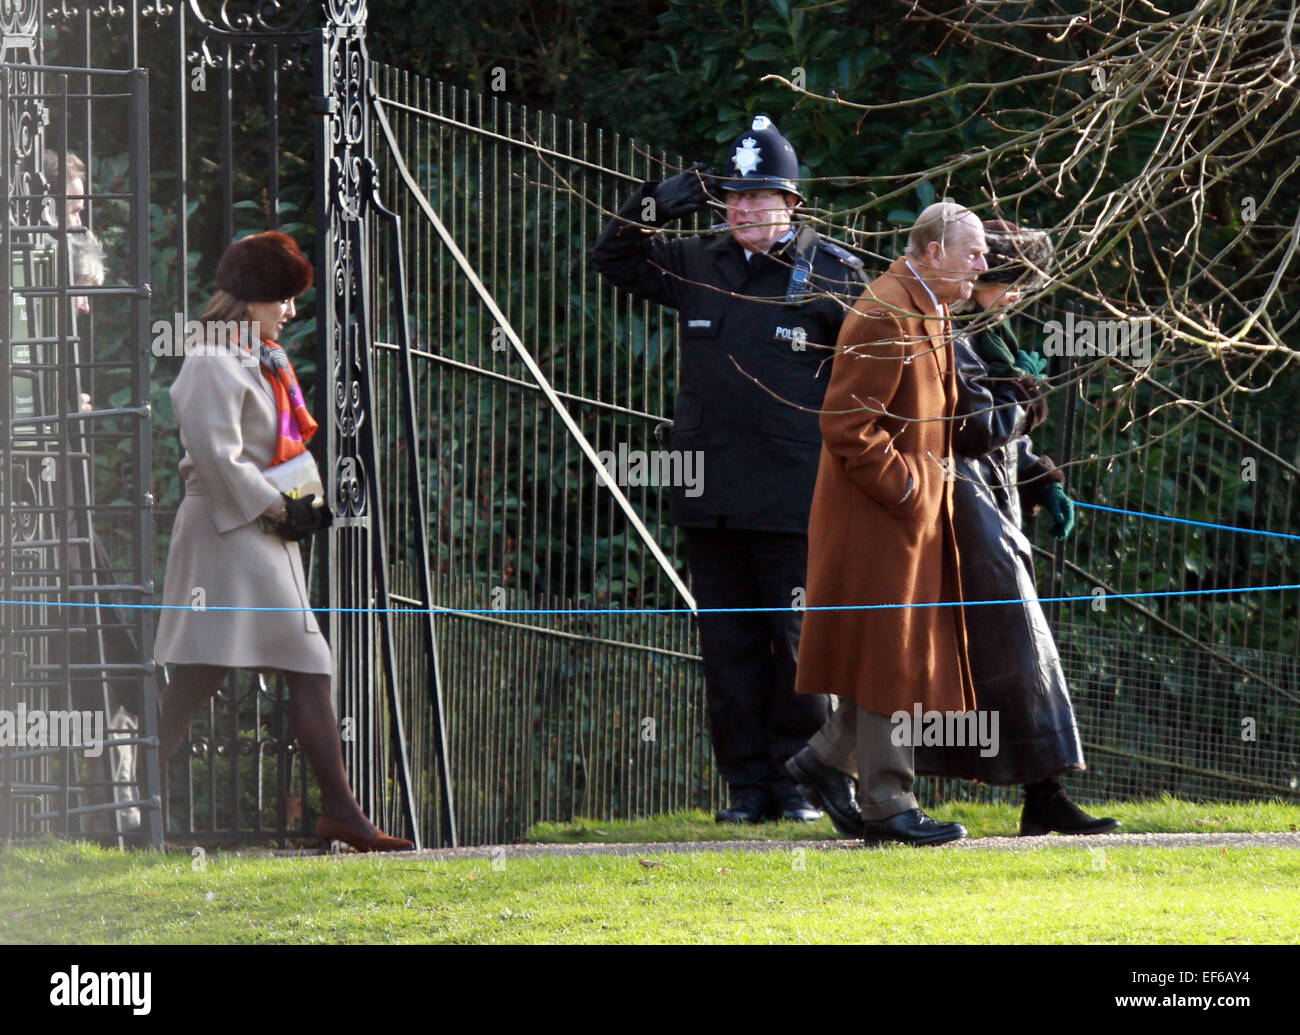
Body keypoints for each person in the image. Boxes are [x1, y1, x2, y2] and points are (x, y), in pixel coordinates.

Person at [593, 116, 868, 824]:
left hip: (793, 495)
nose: (743, 209)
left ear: (792, 203)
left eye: (760, 196)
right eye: (733, 197)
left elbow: (869, 377)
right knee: (729, 651)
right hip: (709, 492)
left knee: (797, 650)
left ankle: (801, 785)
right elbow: (612, 259)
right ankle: (746, 790)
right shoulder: (697, 261)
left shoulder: (834, 272)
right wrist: (655, 203)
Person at [153, 230, 412, 852]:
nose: (291, 312)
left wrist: (292, 506)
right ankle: (341, 814)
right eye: (282, 300)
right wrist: (281, 508)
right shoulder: (213, 356)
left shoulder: (258, 354)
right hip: (230, 532)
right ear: (250, 299)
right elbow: (217, 457)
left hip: (255, 532)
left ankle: (341, 812)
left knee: (239, 668)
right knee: (254, 666)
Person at [786, 202, 987, 846]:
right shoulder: (885, 310)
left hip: (906, 519)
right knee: (890, 659)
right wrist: (907, 489)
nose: (984, 264)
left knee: (891, 655)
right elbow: (848, 426)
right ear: (931, 252)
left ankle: (823, 762)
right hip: (879, 520)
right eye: (972, 252)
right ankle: (888, 805)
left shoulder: (927, 304)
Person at [913, 219, 1120, 836]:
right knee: (1005, 653)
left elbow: (1005, 436)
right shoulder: (950, 331)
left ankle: (1044, 794)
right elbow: (972, 428)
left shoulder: (986, 332)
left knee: (1017, 652)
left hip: (994, 506)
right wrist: (1023, 394)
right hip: (963, 514)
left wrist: (1041, 477)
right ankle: (846, 778)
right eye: (1013, 281)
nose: (1017, 295)